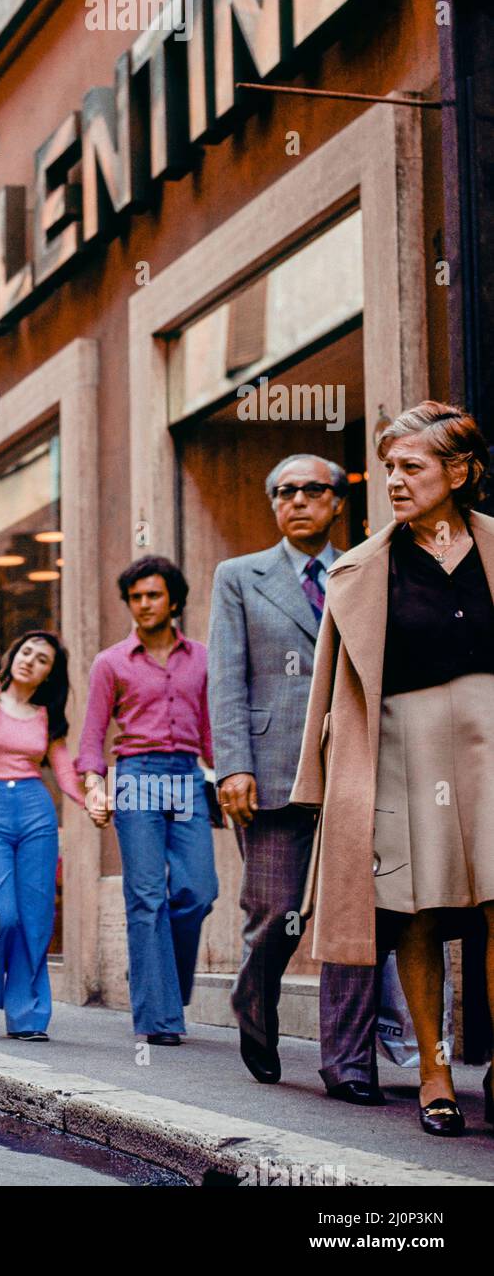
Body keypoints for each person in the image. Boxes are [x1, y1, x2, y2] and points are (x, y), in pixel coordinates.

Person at [291, 402, 494, 1138]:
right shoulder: (363, 569)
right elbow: (330, 692)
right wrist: (319, 787)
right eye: (389, 469)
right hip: (401, 749)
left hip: (491, 742)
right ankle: (434, 1073)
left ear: (460, 471)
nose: (396, 482)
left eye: (412, 467)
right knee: (416, 914)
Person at [209, 455, 383, 1102]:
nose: (298, 500)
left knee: (350, 916)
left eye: (313, 490)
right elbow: (225, 677)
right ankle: (254, 1004)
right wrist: (233, 766)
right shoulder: (238, 577)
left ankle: (349, 1066)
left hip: (353, 768)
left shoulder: (365, 571)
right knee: (275, 913)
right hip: (272, 770)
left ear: (339, 502)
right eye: (284, 491)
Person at [78, 557, 217, 1046]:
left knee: (198, 891)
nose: (144, 605)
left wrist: (232, 776)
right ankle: (158, 1019)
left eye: (153, 595)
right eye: (136, 597)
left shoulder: (201, 657)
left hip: (186, 776)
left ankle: (165, 985)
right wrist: (95, 787)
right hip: (136, 777)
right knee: (145, 896)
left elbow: (211, 730)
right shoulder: (110, 662)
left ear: (173, 600)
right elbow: (92, 736)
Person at [0, 632, 83, 1041]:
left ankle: (27, 1016)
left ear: (49, 673)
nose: (31, 660)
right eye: (26, 652)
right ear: (13, 656)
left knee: (34, 918)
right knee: (0, 915)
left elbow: (64, 771)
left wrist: (93, 801)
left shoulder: (47, 716)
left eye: (42, 659)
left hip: (35, 812)